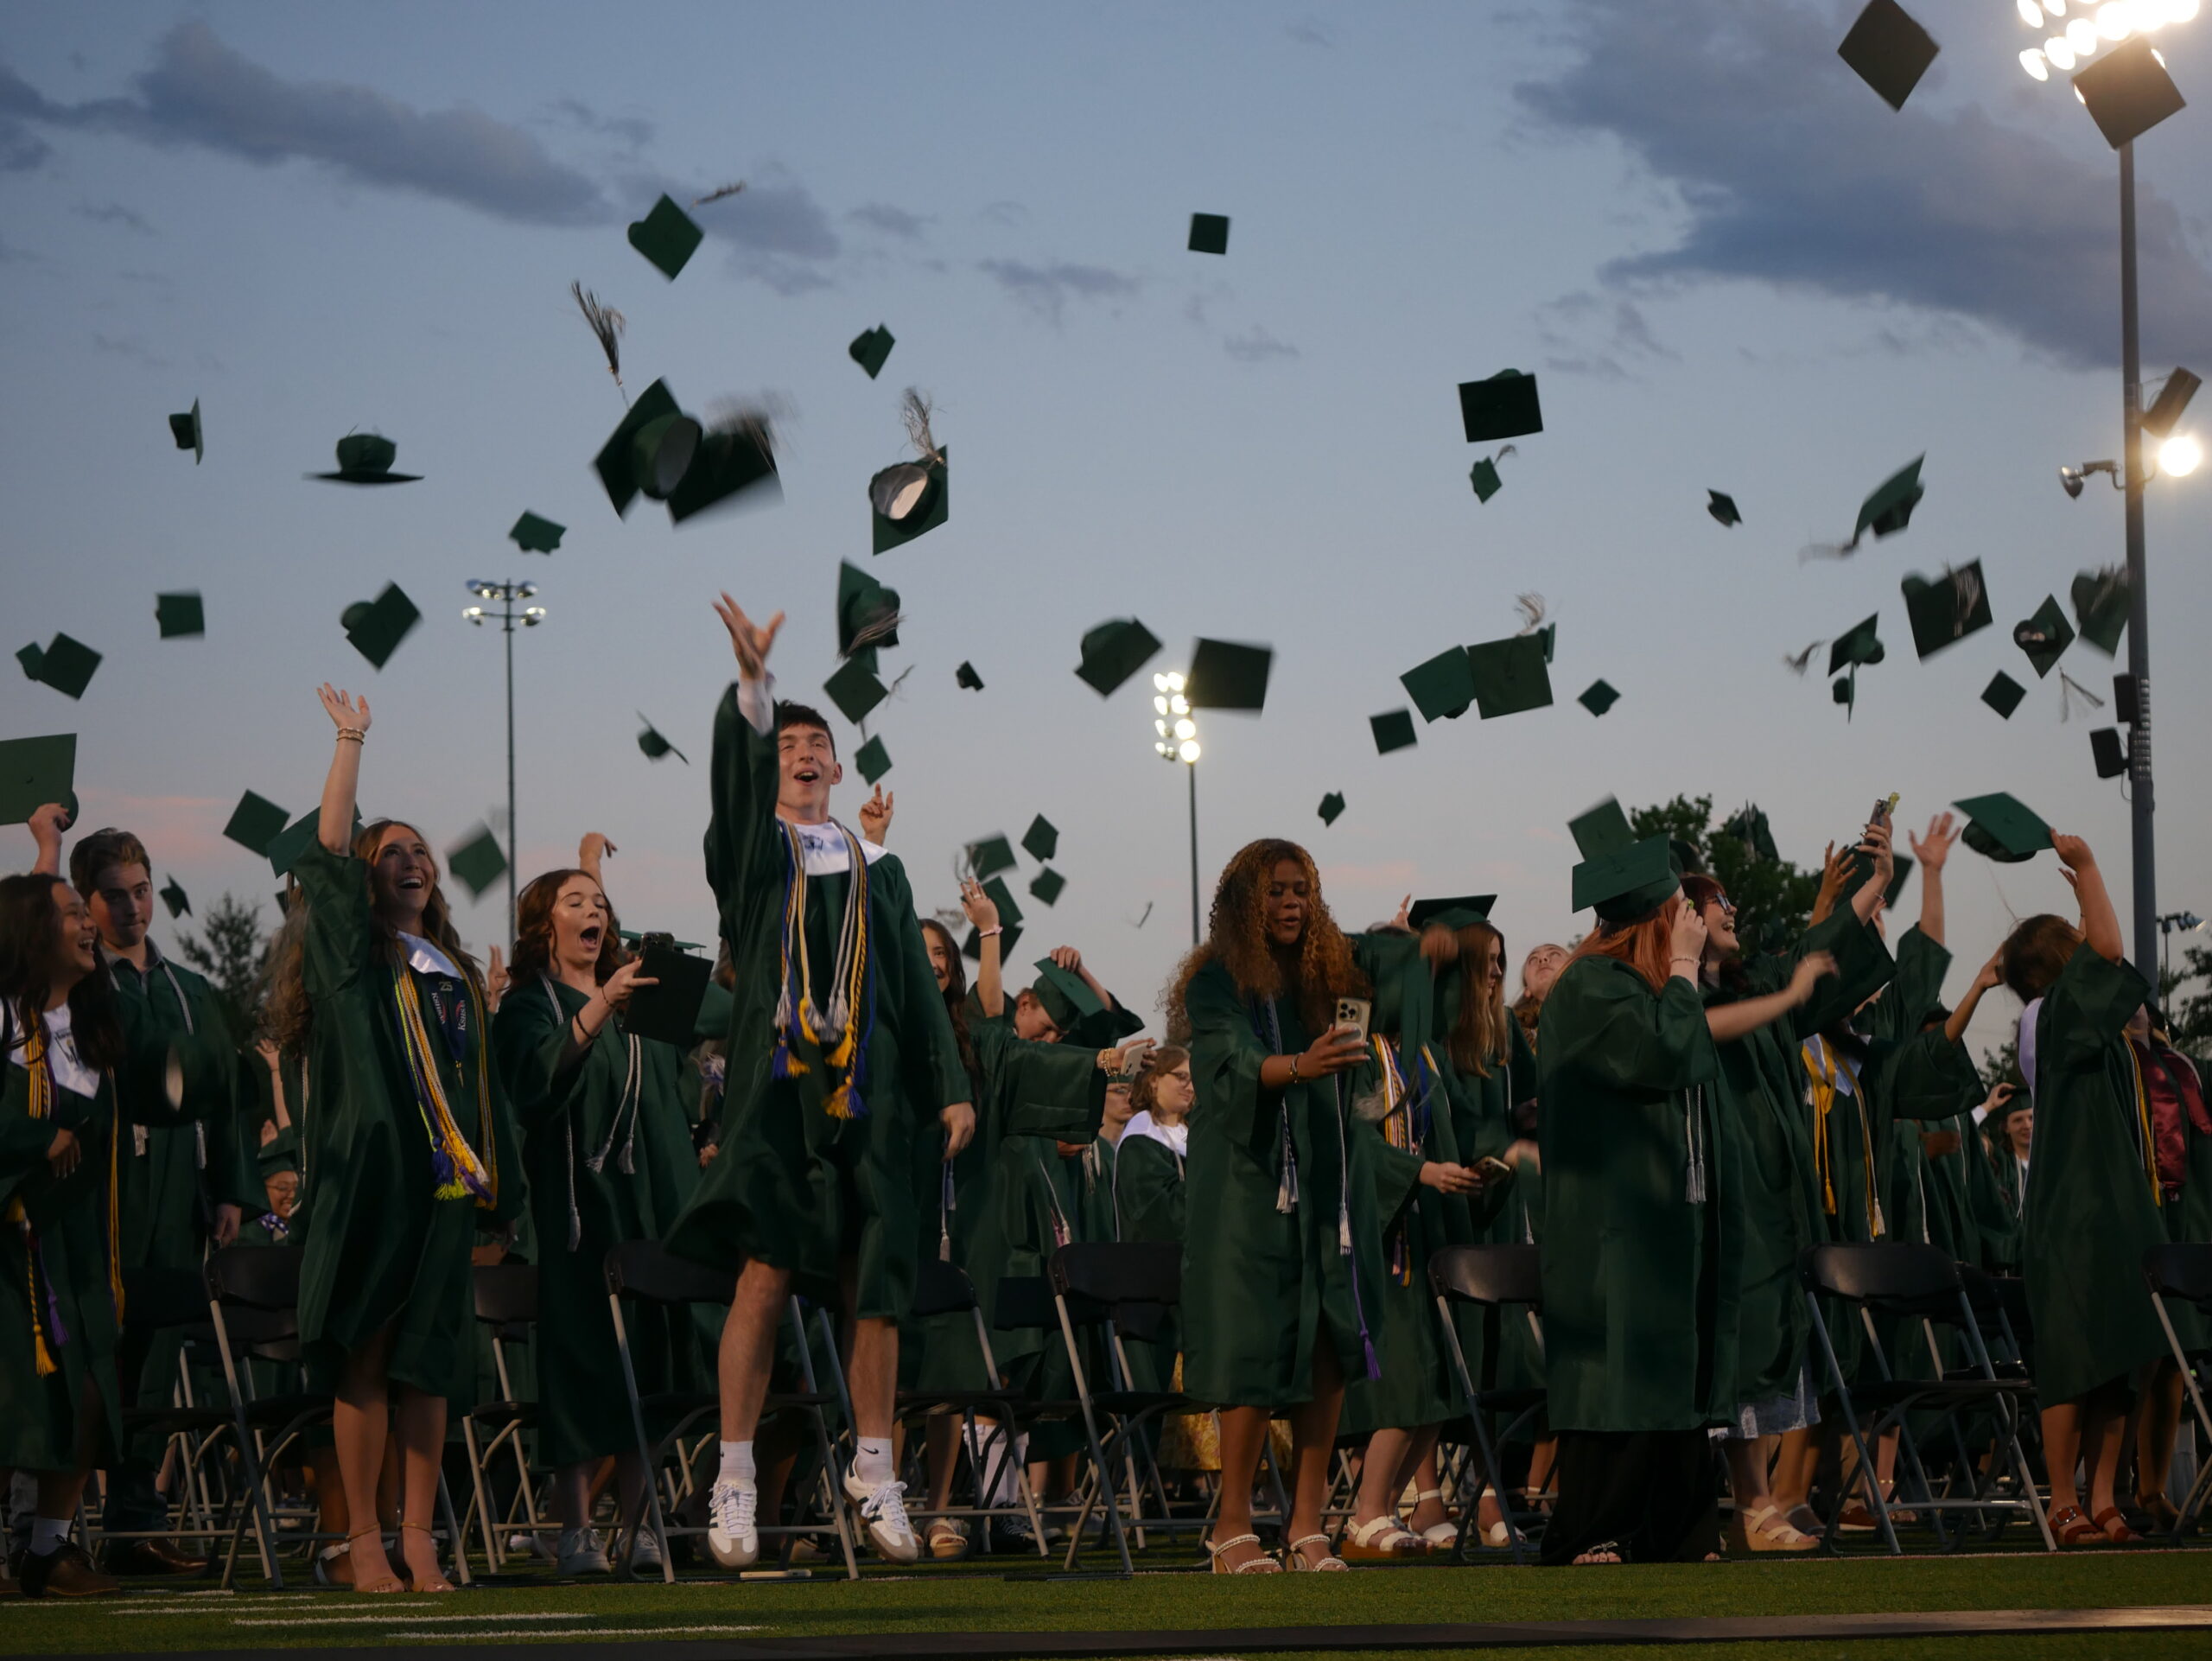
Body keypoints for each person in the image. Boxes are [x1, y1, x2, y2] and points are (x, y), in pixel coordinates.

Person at [664, 597, 973, 1570]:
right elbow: (731, 790)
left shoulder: (879, 869)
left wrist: (952, 1083)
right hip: (778, 1089)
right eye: (788, 741)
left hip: (870, 1094)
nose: (802, 754)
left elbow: (920, 988)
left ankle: (875, 1462)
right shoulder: (760, 856)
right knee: (765, 1273)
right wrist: (752, 688)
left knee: (872, 1278)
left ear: (840, 766)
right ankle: (738, 1469)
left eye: (816, 743)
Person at [260, 684, 524, 1594]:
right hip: (371, 1187)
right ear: (366, 878)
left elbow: (481, 1095)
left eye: (419, 849)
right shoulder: (351, 959)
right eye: (391, 850)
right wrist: (349, 737)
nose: (408, 858)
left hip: (444, 1194)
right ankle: (362, 1538)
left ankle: (421, 1538)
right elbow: (328, 850)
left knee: (430, 1365)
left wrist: (499, 1189)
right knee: (369, 1355)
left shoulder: (448, 972)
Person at [1167, 839, 1474, 1574]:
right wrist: (1301, 1066)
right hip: (1246, 1187)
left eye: (1301, 889)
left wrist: (1416, 948)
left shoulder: (1325, 976)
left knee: (1327, 1347)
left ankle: (1307, 1525)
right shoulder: (1215, 981)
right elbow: (1231, 1060)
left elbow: (1389, 985)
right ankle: (1232, 1526)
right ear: (1245, 902)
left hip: (1325, 1183)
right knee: (1251, 1347)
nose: (1291, 903)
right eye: (1274, 891)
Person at [29, 818, 265, 1575]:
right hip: (101, 1189)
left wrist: (230, 1189)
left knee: (157, 1351)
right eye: (112, 896)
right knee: (94, 1350)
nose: (131, 909)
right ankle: (53, 1523)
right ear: (86, 903)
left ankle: (138, 1514)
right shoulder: (82, 989)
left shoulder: (190, 990)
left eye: (141, 892)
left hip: (175, 1192)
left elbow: (225, 1095)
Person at [491, 838, 713, 1577]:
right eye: (574, 900)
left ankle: (642, 1524)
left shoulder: (637, 1000)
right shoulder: (530, 1006)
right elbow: (533, 1083)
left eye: (600, 901)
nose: (594, 910)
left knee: (645, 1367)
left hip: (643, 1204)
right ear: (541, 925)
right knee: (581, 1364)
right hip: (574, 1211)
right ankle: (576, 1528)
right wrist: (597, 1010)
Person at [0, 871, 221, 1597]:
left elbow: (162, 1094)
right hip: (15, 1245)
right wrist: (38, 1138)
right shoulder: (5, 1019)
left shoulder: (100, 1030)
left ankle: (48, 1552)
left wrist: (206, 1067)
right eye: (72, 914)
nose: (88, 924)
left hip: (86, 1246)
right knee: (15, 1398)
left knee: (92, 1389)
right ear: (33, 931)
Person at [1536, 841, 1726, 1567]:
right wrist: (1683, 969)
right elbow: (1665, 1058)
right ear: (1651, 921)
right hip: (1608, 1223)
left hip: (1655, 1218)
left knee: (1666, 1367)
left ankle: (1674, 1529)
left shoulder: (1633, 988)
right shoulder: (1590, 986)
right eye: (1677, 916)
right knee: (1615, 1370)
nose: (1690, 927)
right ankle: (1595, 1529)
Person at [1679, 864, 1867, 1554]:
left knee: (1765, 1341)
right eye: (1718, 900)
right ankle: (1752, 1505)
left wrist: (1874, 882)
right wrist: (1789, 991)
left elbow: (1818, 958)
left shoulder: (1750, 990)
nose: (1732, 908)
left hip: (1765, 1203)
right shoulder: (1678, 1000)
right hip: (1712, 1202)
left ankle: (1756, 1506)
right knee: (1739, 1342)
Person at [2000, 832, 2164, 1547]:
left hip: (2116, 1202)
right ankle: (2063, 1499)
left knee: (2121, 1353)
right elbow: (2107, 954)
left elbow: (2105, 958)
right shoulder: (2050, 1014)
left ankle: (2105, 1498)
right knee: (2072, 1356)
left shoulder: (2083, 1015)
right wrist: (2091, 869)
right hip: (2070, 1207)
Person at [2124, 1007, 2208, 1532]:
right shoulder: (2111, 1063)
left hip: (2187, 1217)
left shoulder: (2182, 1068)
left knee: (2178, 1358)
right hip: (2138, 1217)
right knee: (2143, 1359)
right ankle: (2120, 1485)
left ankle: (2153, 1488)